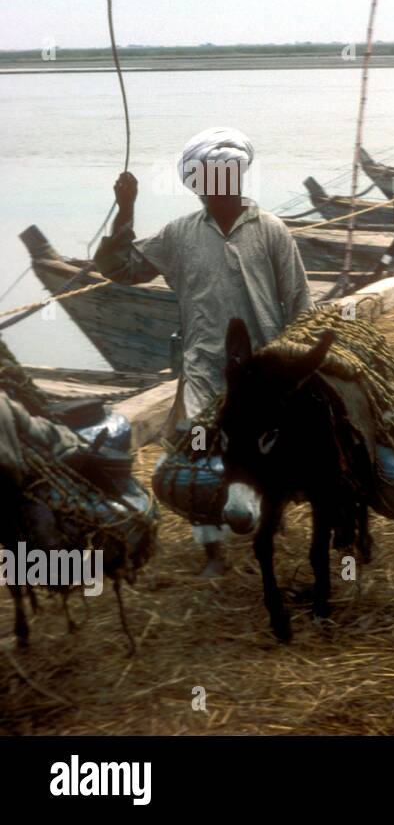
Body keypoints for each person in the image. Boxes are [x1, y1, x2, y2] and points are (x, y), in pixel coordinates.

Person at [94, 127, 313, 577]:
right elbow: (120, 268)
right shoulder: (179, 235)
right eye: (208, 175)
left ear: (239, 176)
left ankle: (267, 516)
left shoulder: (271, 230)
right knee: (195, 447)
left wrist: (298, 361)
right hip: (203, 367)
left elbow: (299, 302)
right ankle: (212, 550)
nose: (219, 183)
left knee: (267, 447)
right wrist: (126, 209)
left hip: (263, 370)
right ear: (196, 183)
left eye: (227, 173)